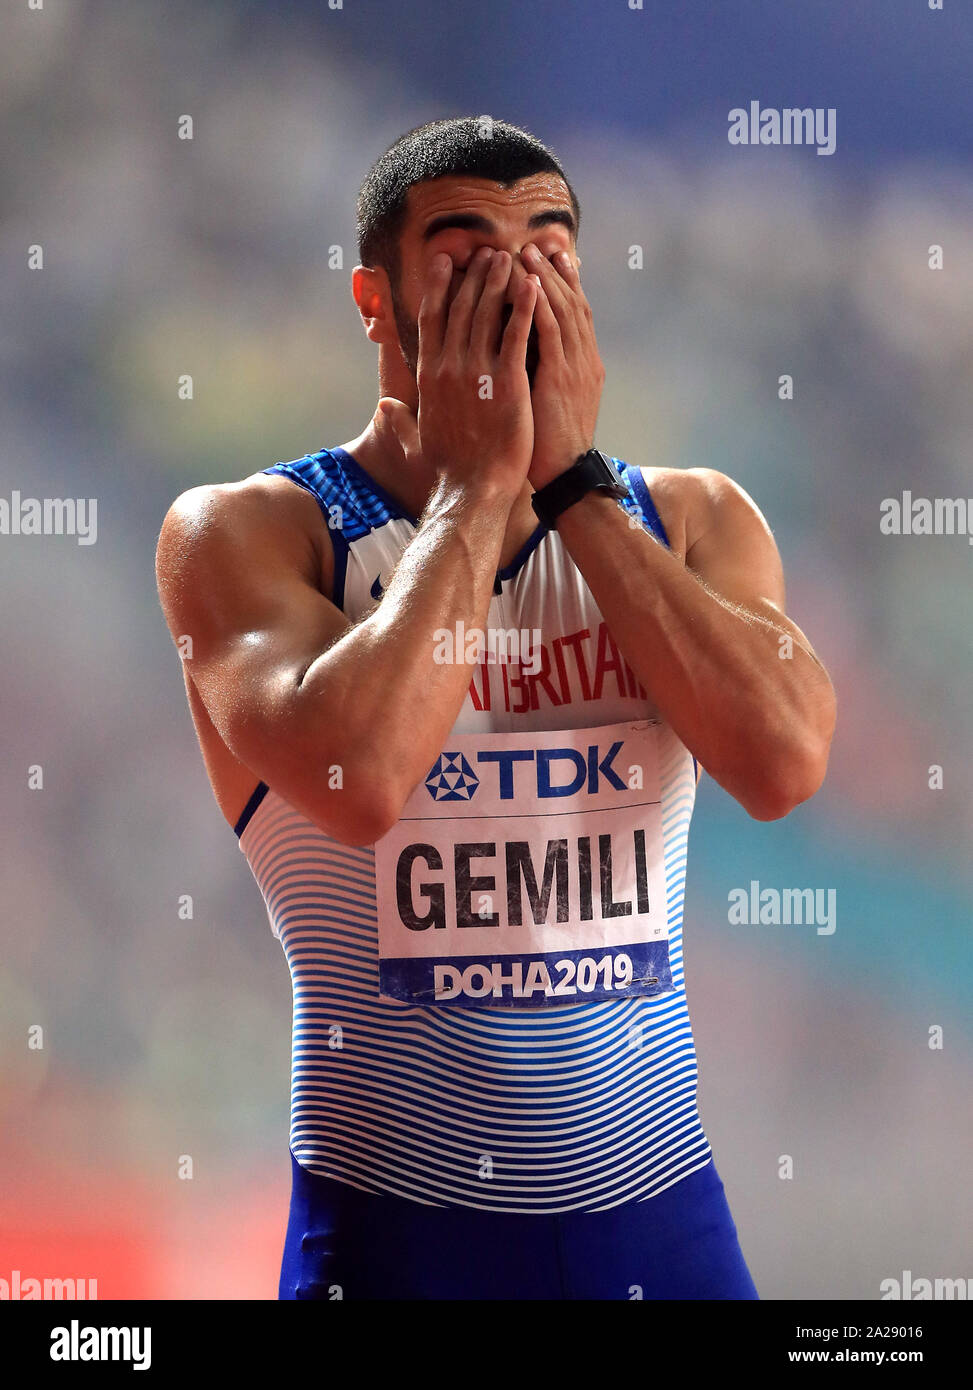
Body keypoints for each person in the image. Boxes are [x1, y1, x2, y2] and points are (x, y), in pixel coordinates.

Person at [155, 117, 836, 1300]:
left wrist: (570, 485)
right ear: (374, 301)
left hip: (658, 1220)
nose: (516, 281)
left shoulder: (692, 518)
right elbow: (360, 778)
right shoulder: (255, 533)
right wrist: (479, 482)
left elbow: (783, 766)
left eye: (550, 249)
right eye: (466, 252)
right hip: (393, 1235)